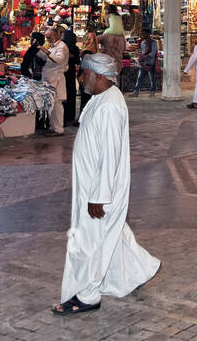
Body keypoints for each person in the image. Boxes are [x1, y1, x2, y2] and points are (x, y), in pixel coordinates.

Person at [52, 53, 161, 316]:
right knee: (112, 235)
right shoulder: (100, 98)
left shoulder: (111, 105)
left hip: (99, 191)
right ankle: (140, 269)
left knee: (88, 243)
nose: (79, 78)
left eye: (84, 73)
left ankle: (87, 296)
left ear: (99, 76)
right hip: (92, 185)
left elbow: (110, 154)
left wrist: (99, 196)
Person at [40, 26, 69, 136]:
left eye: (49, 37)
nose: (48, 39)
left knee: (57, 104)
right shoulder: (53, 46)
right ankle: (53, 127)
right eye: (46, 38)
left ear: (56, 35)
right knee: (51, 104)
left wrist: (46, 51)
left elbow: (58, 59)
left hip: (56, 79)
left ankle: (58, 129)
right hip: (50, 78)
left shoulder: (62, 47)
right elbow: (46, 59)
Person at [63, 29, 81, 125]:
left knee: (64, 94)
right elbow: (78, 61)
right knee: (71, 94)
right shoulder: (75, 48)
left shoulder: (63, 47)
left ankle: (64, 116)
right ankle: (70, 115)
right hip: (71, 73)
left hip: (63, 73)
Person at [133, 29, 158, 97]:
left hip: (151, 63)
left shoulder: (153, 43)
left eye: (144, 34)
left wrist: (144, 56)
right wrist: (140, 56)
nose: (142, 35)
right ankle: (136, 91)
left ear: (148, 34)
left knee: (152, 78)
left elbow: (153, 53)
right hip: (143, 63)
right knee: (140, 78)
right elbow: (142, 52)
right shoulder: (142, 43)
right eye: (142, 34)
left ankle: (152, 91)